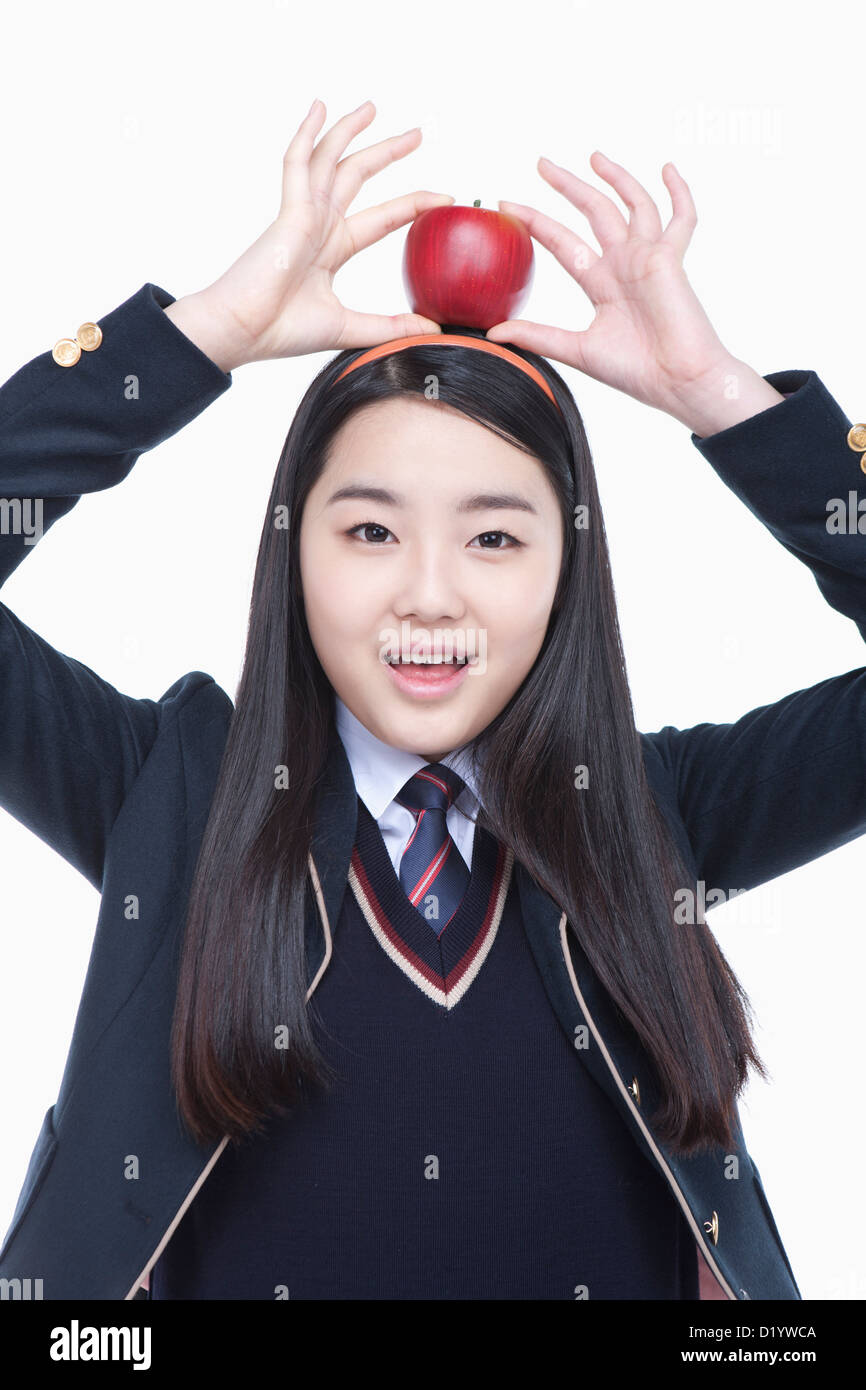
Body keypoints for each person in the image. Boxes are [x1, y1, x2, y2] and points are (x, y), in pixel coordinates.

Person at [1, 98, 864, 1301]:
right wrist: (196, 337)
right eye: (368, 529)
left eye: (495, 539)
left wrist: (723, 397)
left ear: (569, 568)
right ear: (291, 549)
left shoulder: (654, 815)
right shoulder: (170, 796)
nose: (426, 595)